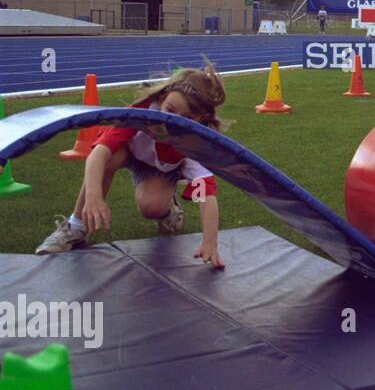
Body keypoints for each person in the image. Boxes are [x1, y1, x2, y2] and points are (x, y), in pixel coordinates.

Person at [36, 62, 230, 268]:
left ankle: (169, 211)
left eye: (187, 118)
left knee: (150, 207)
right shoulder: (141, 113)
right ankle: (75, 227)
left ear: (200, 120)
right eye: (170, 110)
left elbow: (204, 195)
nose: (173, 122)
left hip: (164, 169)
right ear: (162, 98)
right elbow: (98, 155)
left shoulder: (194, 144)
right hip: (131, 154)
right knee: (109, 156)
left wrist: (210, 243)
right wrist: (94, 196)